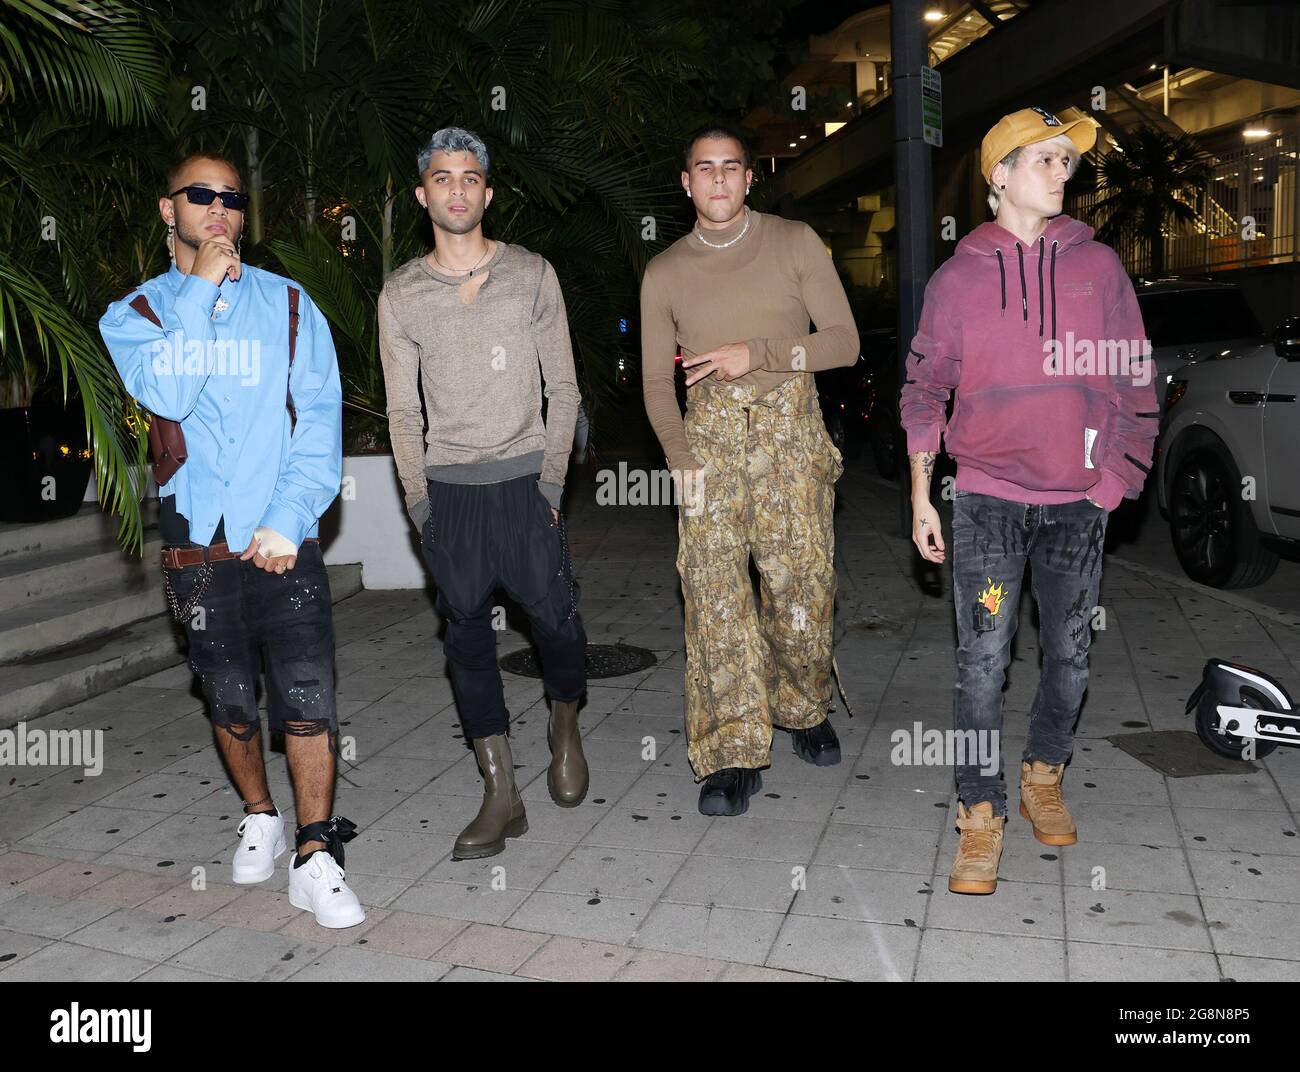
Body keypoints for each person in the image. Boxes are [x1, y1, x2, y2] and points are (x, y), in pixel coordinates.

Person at [100, 151, 362, 927]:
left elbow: (319, 418)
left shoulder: (288, 304)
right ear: (167, 210)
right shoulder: (137, 316)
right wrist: (201, 288)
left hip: (282, 534)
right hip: (196, 544)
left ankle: (315, 853)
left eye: (232, 197)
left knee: (309, 693)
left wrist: (291, 516)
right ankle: (260, 813)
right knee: (229, 698)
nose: (219, 207)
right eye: (201, 195)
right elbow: (170, 391)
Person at [900, 107, 1158, 894]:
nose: (1061, 172)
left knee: (1070, 660)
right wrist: (921, 494)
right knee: (981, 664)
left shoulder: (1100, 269)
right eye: (1042, 158)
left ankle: (1043, 772)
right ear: (999, 175)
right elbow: (923, 389)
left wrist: (1115, 482)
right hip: (985, 504)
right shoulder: (958, 279)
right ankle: (978, 813)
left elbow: (1134, 383)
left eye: (1065, 160)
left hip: (1078, 507)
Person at [377, 127, 587, 860]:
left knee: (557, 626)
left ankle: (564, 719)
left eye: (470, 178)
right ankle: (501, 790)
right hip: (451, 494)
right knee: (466, 641)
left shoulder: (531, 274)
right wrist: (419, 503)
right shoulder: (401, 294)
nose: (457, 190)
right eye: (443, 178)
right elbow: (402, 411)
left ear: (487, 192)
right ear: (423, 194)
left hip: (527, 482)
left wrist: (553, 481)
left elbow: (563, 386)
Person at [641, 124, 859, 817]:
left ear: (748, 177)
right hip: (708, 441)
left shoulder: (795, 242)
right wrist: (679, 461)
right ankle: (732, 749)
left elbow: (845, 344)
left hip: (791, 436)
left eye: (731, 168)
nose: (718, 180)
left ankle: (801, 703)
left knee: (802, 590)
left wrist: (757, 353)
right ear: (686, 183)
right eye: (703, 169)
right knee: (713, 598)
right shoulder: (665, 271)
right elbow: (654, 382)